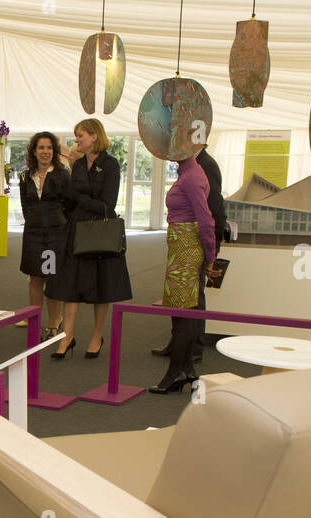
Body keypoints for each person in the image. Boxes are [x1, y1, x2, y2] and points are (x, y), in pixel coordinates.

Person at [48, 118, 132, 359]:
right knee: (69, 285)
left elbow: (107, 205)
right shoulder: (78, 164)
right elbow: (73, 200)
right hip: (76, 230)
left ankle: (97, 335)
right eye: (76, 136)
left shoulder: (111, 165)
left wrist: (76, 197)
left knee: (101, 285)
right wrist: (65, 198)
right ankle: (67, 336)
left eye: (80, 135)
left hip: (100, 232)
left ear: (95, 136)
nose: (77, 140)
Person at [150, 149, 221, 394]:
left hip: (187, 249)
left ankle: (175, 372)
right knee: (184, 311)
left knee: (182, 312)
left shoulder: (192, 175)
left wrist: (210, 257)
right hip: (181, 248)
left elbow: (206, 219)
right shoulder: (187, 171)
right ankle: (188, 369)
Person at [19, 131, 69, 341]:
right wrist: (33, 220)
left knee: (51, 277)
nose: (45, 151)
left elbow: (68, 204)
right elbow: (25, 204)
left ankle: (54, 321)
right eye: (41, 147)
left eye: (49, 147)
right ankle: (34, 321)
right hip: (33, 233)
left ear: (54, 151)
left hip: (54, 234)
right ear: (34, 151)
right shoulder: (25, 175)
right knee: (35, 278)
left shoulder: (62, 174)